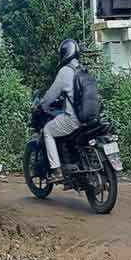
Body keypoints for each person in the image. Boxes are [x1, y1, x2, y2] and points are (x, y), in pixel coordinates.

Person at [39, 39, 82, 181]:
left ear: (65, 53)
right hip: (90, 118)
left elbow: (51, 95)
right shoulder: (83, 70)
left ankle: (57, 170)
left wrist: (42, 105)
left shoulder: (65, 71)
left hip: (74, 120)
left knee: (48, 131)